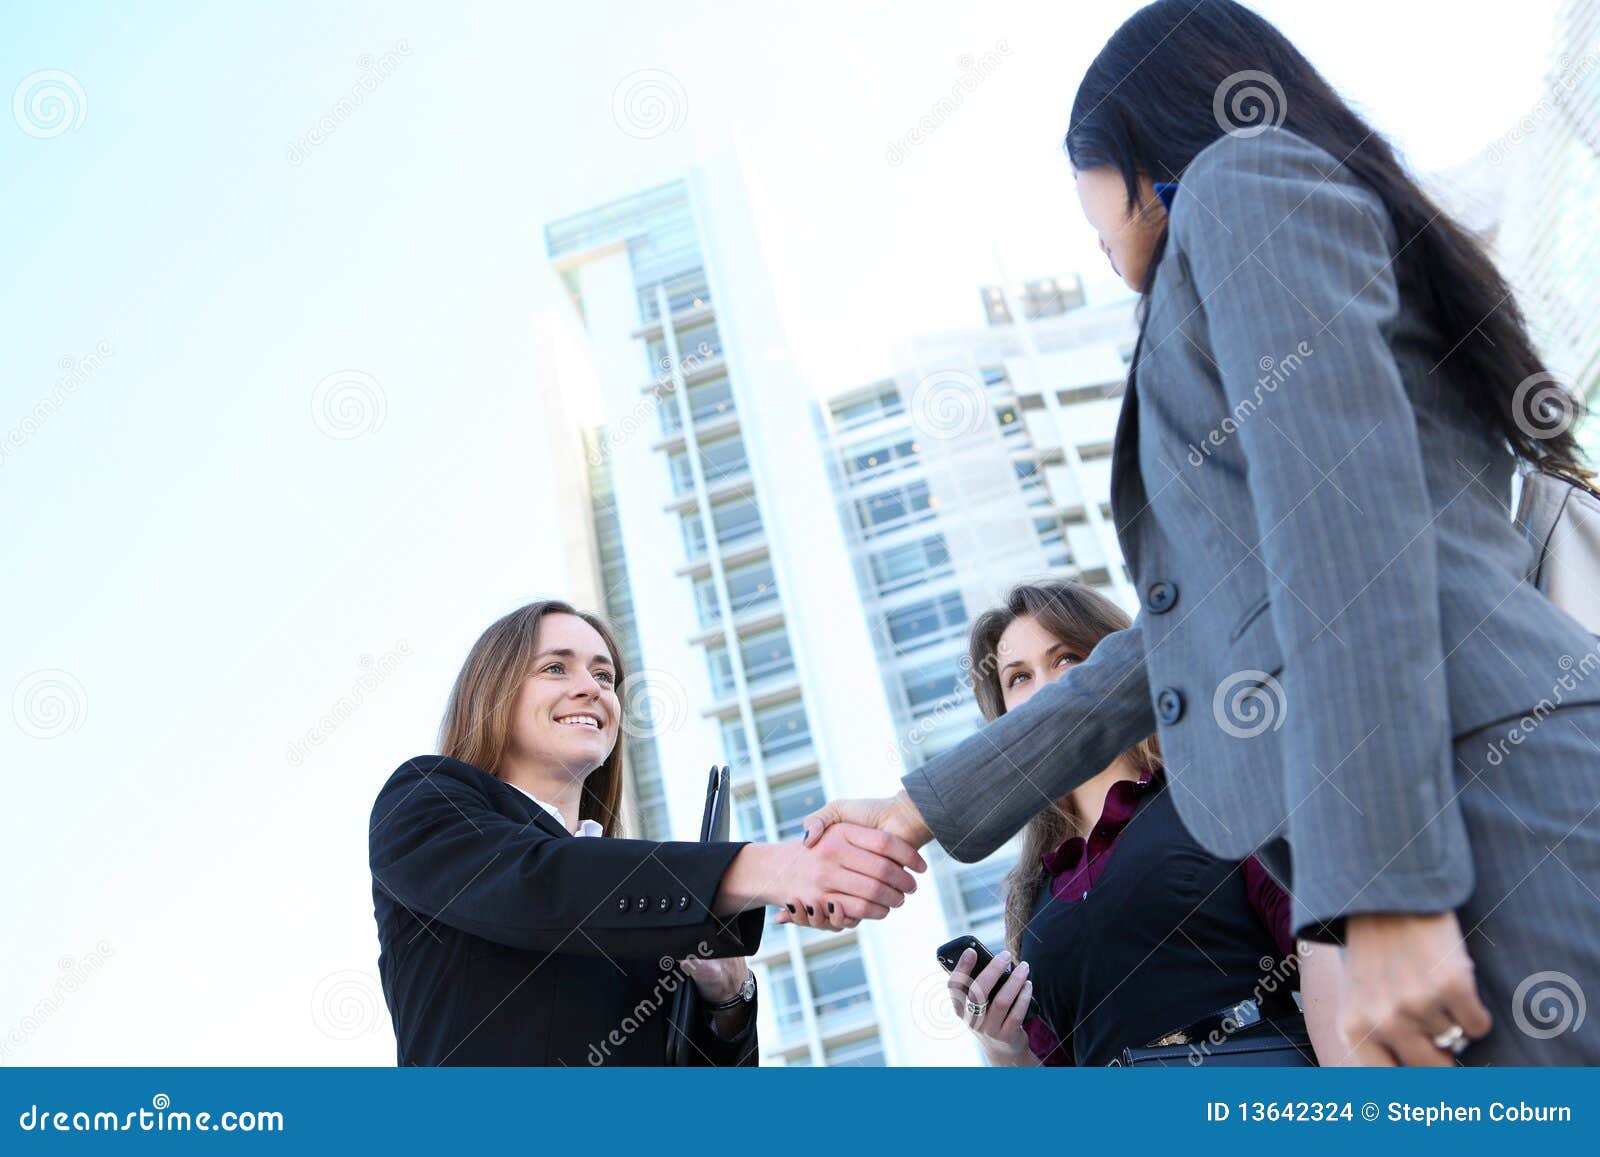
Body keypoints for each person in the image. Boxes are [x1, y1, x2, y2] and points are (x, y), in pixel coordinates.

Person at [802, 0, 1600, 1066]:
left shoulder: (1238, 186)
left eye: (1081, 176)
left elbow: (1344, 529)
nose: (1088, 225)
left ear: (1133, 146)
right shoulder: (1273, 220)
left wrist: (1388, 884)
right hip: (1465, 796)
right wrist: (912, 808)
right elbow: (1170, 644)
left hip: (1476, 802)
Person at [785, 580, 1341, 1064]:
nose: (1046, 690)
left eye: (1067, 660)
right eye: (1018, 678)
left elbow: (1324, 942)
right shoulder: (1033, 895)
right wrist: (1005, 1049)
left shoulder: (1212, 790)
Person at [368, 599, 926, 1066]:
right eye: (556, 668)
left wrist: (727, 997)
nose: (591, 688)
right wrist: (777, 869)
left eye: (604, 676)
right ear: (493, 692)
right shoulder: (425, 799)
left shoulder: (648, 900)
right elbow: (539, 884)